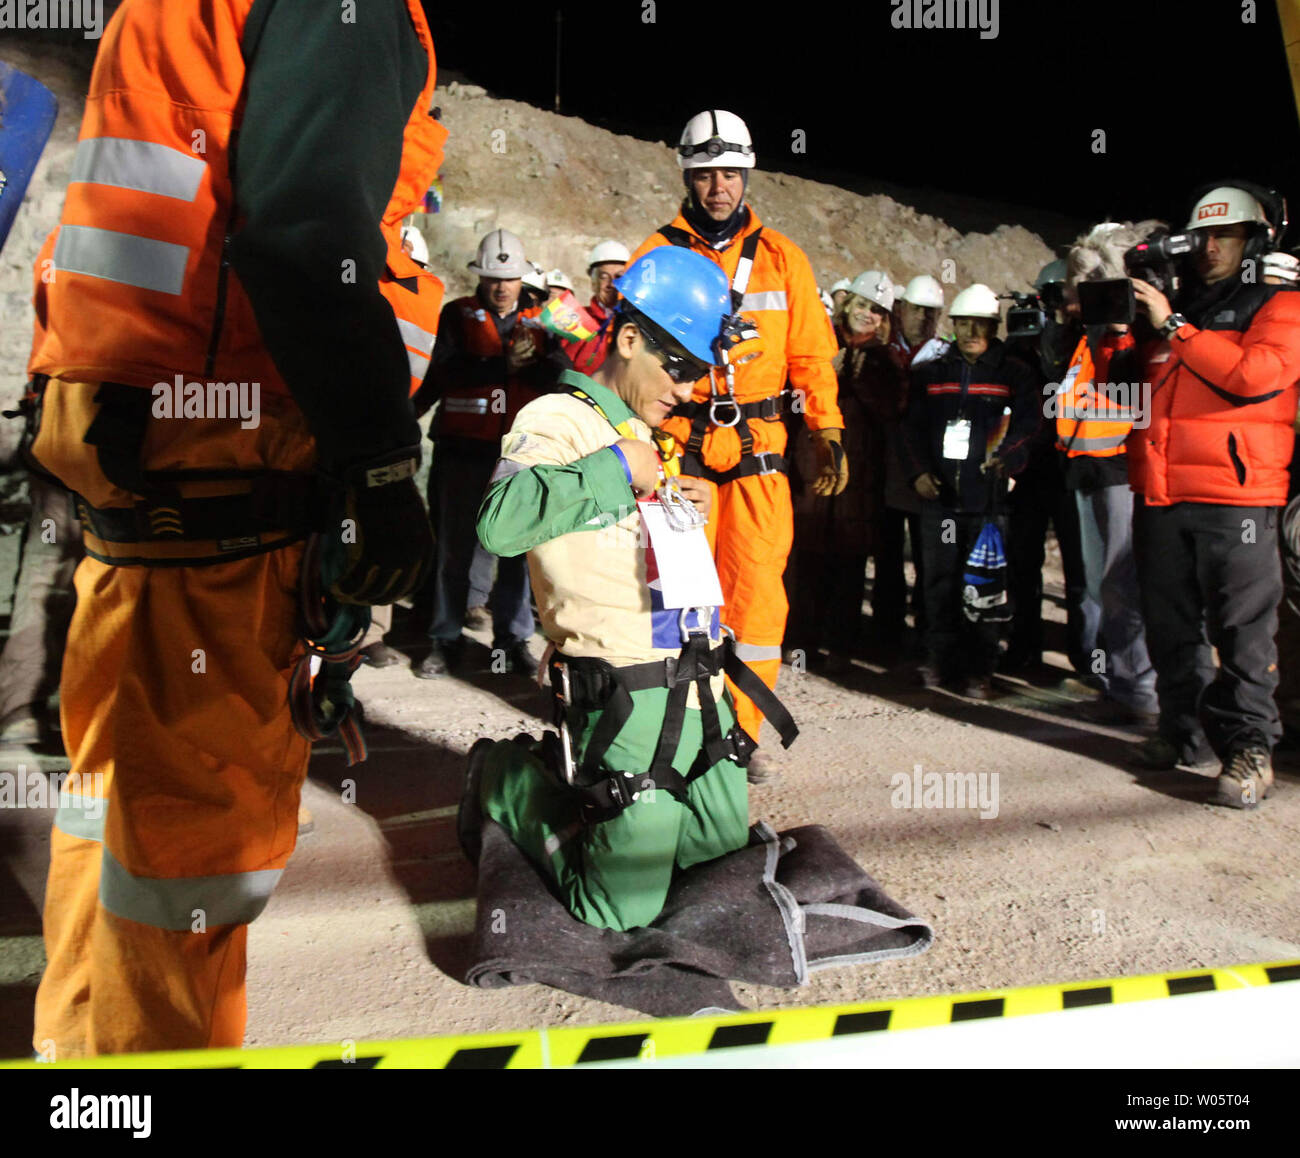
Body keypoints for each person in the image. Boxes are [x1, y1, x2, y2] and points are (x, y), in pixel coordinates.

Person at [24, 0, 445, 1057]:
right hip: (220, 464)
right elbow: (308, 235)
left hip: (139, 456)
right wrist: (384, 465)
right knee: (188, 869)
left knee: (109, 814)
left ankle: (85, 1079)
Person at [469, 246, 793, 931]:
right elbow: (500, 523)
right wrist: (616, 468)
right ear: (627, 337)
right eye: (676, 366)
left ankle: (619, 808)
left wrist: (671, 499)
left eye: (697, 373)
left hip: (702, 693)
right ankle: (502, 779)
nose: (686, 388)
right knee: (623, 909)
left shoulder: (649, 435)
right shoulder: (561, 418)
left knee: (715, 872)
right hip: (626, 696)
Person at [629, 109, 844, 783]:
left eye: (729, 173)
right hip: (680, 447)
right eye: (705, 174)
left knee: (754, 600)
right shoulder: (656, 255)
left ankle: (741, 736)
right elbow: (628, 353)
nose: (718, 186)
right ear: (687, 177)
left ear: (746, 175)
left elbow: (810, 358)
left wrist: (827, 429)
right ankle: (678, 728)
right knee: (679, 598)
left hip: (760, 452)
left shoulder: (784, 258)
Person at [1128, 181, 1300, 808]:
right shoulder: (1180, 304)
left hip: (1238, 493)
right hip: (1163, 491)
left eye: (1225, 236)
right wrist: (1114, 332)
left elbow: (1256, 375)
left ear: (1257, 238)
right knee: (1170, 624)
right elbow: (1128, 388)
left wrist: (1173, 326)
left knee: (1243, 630)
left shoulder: (1280, 305)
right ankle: (1181, 731)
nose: (1210, 248)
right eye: (1202, 236)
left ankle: (1252, 749)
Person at [414, 229, 565, 678]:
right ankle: (444, 639)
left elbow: (563, 374)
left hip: (520, 455)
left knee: (518, 553)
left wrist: (534, 363)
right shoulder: (456, 315)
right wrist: (502, 364)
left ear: (522, 278)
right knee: (454, 551)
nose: (501, 286)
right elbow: (444, 370)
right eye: (493, 278)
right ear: (480, 278)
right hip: (462, 453)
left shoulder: (545, 322)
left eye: (510, 278)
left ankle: (514, 639)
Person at [899, 284, 1040, 698]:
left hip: (988, 502)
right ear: (953, 325)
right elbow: (911, 428)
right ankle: (939, 661)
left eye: (980, 323)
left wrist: (1007, 461)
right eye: (963, 323)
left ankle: (981, 668)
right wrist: (919, 473)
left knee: (984, 585)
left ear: (994, 326)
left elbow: (1030, 424)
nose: (971, 331)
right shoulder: (932, 374)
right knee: (939, 583)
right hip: (940, 500)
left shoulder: (1014, 373)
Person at [1055, 223, 1161, 724]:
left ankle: (1142, 690)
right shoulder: (1088, 336)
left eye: (1083, 293)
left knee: (1123, 582)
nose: (1073, 303)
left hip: (1121, 467)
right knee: (1103, 586)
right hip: (1088, 470)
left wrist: (1122, 329)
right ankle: (1123, 682)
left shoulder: (1130, 331)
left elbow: (1129, 394)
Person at [787, 271, 907, 670]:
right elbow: (793, 403)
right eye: (862, 305)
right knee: (806, 562)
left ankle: (840, 647)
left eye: (877, 310)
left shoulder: (885, 361)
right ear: (847, 304)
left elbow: (891, 412)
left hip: (859, 480)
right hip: (811, 470)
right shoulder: (818, 348)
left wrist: (859, 378)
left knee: (849, 566)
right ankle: (801, 641)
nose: (867, 314)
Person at [1003, 258, 1093, 678]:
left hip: (1075, 467)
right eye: (1052, 296)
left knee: (1081, 569)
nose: (1059, 306)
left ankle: (1087, 653)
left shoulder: (1090, 340)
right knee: (1021, 563)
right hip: (1031, 467)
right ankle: (1023, 646)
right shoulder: (1022, 346)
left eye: (1066, 295)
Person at [878, 273, 952, 648]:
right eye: (916, 309)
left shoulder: (945, 355)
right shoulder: (883, 352)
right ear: (900, 309)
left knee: (930, 557)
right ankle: (887, 631)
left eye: (931, 311)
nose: (922, 317)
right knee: (888, 554)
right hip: (888, 469)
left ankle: (927, 629)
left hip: (927, 471)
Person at [555, 239, 629, 375]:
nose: (611, 284)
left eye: (619, 277)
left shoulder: (634, 322)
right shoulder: (573, 318)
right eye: (603, 277)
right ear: (593, 281)